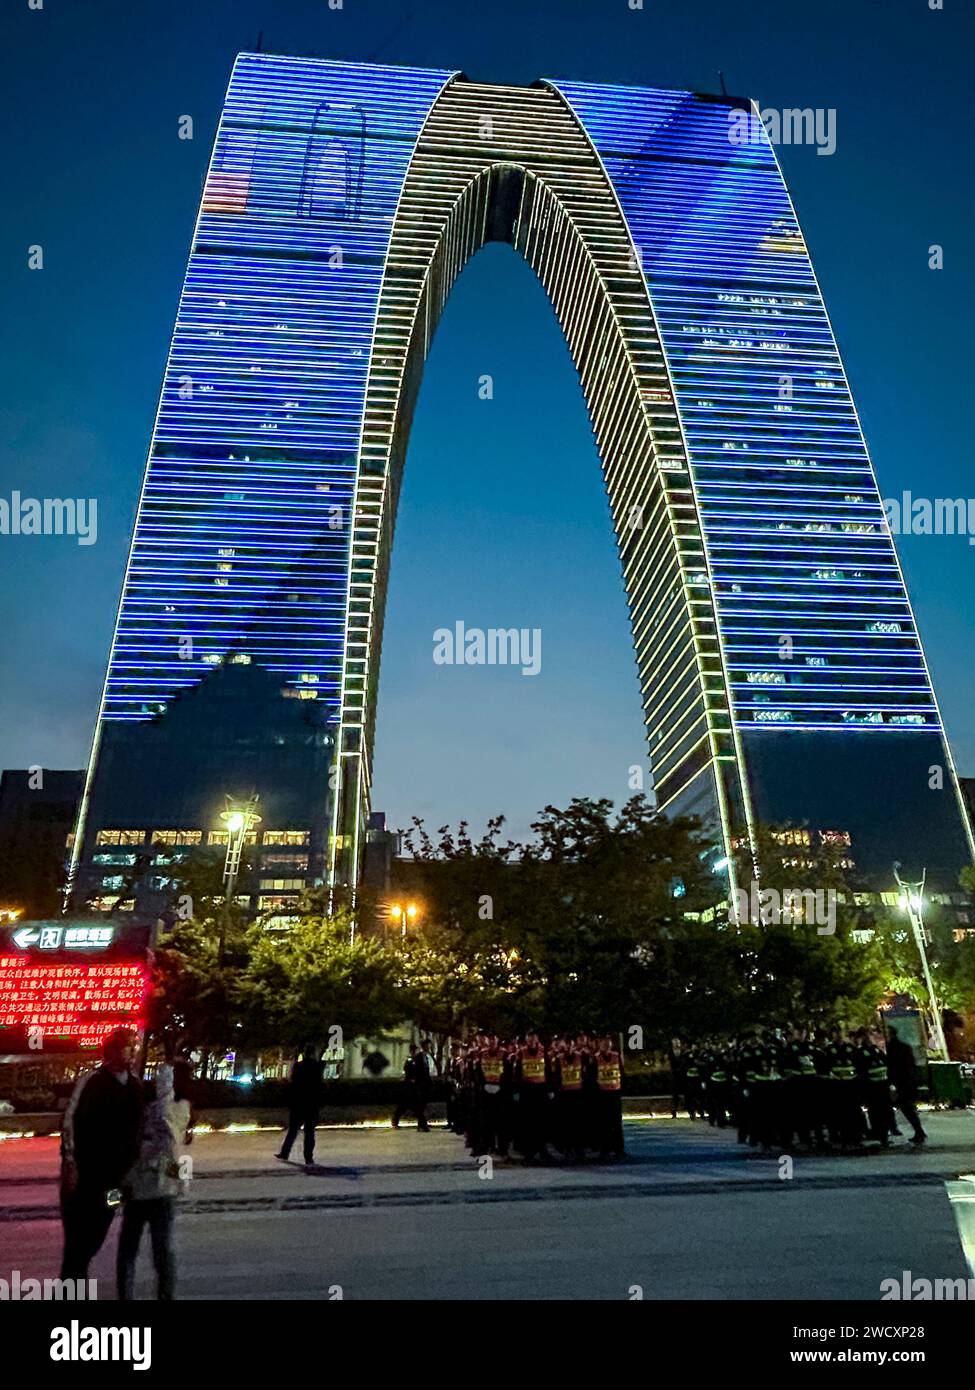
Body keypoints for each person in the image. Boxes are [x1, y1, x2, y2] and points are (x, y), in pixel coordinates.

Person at [60, 1027, 144, 1282]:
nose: (132, 1052)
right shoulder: (92, 1082)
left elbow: (140, 1129)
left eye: (133, 1046)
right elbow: (69, 1121)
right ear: (113, 1051)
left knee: (98, 1232)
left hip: (115, 1183)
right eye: (127, 1046)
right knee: (77, 1241)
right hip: (85, 1179)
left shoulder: (135, 1086)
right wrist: (70, 1162)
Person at [117, 1063, 192, 1300]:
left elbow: (167, 1146)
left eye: (163, 1078)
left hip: (143, 1189)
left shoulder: (163, 1110)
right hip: (156, 1190)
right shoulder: (177, 1109)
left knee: (133, 1250)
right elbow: (175, 1152)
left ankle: (132, 1296)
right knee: (159, 1251)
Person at [276, 1046, 324, 1165]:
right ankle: (308, 1157)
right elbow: (320, 1087)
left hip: (299, 1103)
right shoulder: (317, 1067)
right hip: (311, 1104)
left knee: (293, 1130)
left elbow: (293, 1084)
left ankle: (285, 1152)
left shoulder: (299, 1066)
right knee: (309, 1133)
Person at [885, 1029, 927, 1146]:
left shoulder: (891, 1047)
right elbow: (912, 1064)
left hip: (901, 1082)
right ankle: (919, 1130)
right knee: (908, 1107)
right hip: (909, 1081)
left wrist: (891, 1081)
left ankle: (918, 1131)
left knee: (906, 1107)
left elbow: (891, 1066)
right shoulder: (905, 1046)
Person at [392, 1042, 430, 1131]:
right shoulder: (412, 1060)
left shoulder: (420, 1058)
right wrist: (411, 1079)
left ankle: (421, 1124)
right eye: (413, 1050)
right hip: (410, 1086)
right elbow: (409, 1071)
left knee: (414, 1106)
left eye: (415, 1050)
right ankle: (422, 1124)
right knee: (410, 1106)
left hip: (417, 1086)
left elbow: (423, 1072)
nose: (414, 1052)